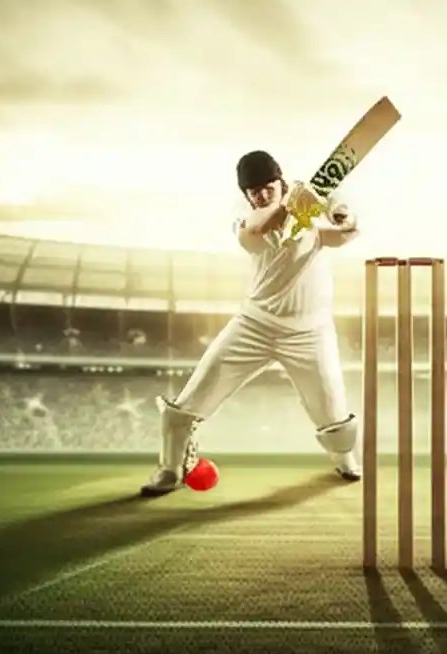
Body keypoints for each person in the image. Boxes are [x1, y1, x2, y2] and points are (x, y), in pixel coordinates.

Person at [141, 150, 362, 496]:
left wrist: (340, 212)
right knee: (185, 405)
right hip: (254, 327)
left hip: (310, 334)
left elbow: (347, 233)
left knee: (334, 419)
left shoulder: (312, 228)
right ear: (246, 196)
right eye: (253, 191)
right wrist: (297, 203)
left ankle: (345, 458)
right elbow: (262, 225)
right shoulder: (245, 223)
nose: (260, 194)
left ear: (280, 182)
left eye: (267, 186)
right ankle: (169, 469)